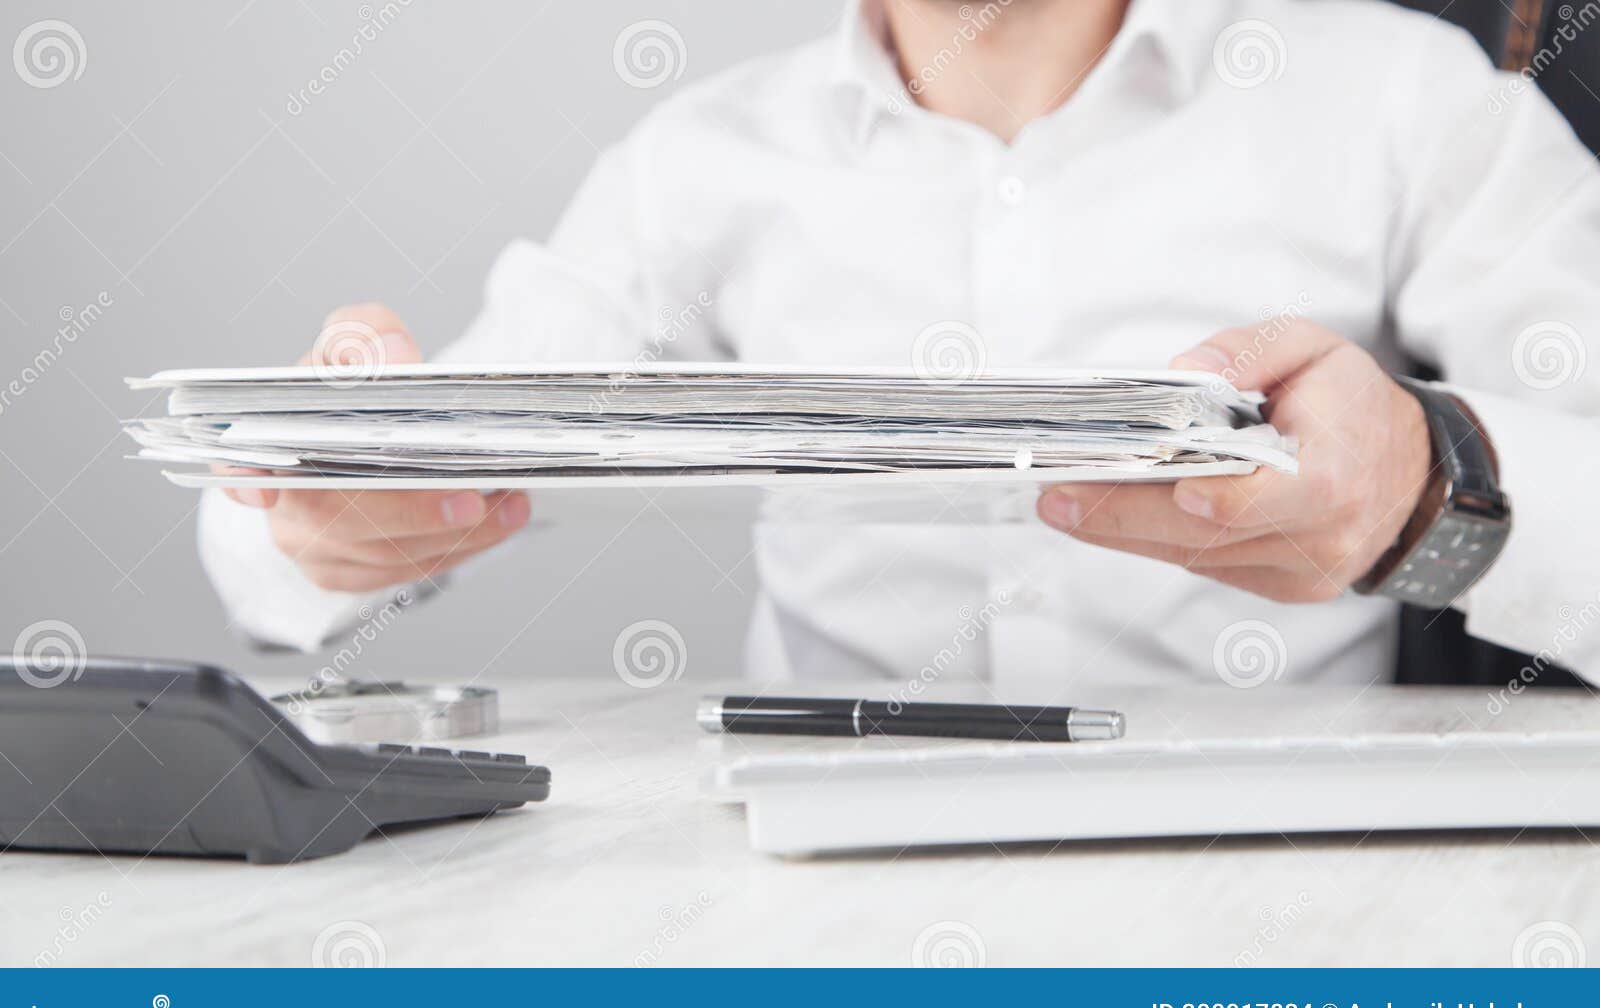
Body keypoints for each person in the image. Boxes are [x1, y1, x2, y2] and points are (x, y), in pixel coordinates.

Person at [199, 0, 1600, 688]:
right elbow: (410, 459)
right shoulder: (701, 160)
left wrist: (1430, 486)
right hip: (804, 914)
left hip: (1280, 911)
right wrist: (316, 508)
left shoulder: (1401, 100)